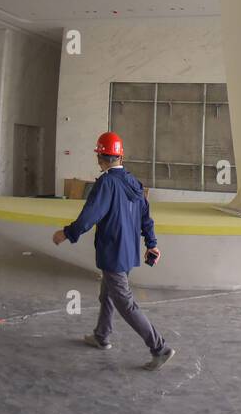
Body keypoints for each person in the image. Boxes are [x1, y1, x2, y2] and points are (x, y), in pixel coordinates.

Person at [53, 131, 175, 371]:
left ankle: (159, 348)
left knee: (126, 303)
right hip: (128, 252)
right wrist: (151, 243)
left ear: (101, 158)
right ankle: (101, 335)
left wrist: (67, 233)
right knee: (107, 294)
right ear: (120, 156)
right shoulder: (133, 181)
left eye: (98, 157)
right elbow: (145, 217)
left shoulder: (106, 183)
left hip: (113, 253)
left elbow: (90, 216)